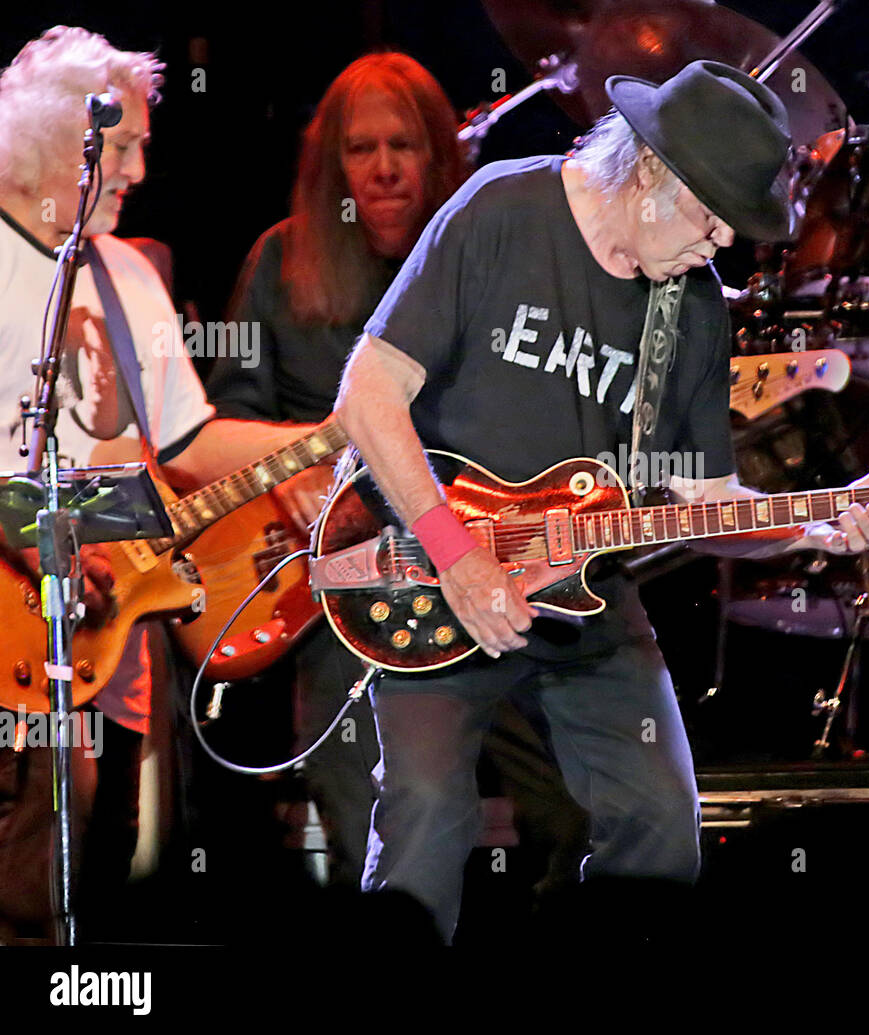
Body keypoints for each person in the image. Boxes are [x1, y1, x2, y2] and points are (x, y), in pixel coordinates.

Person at [333, 59, 869, 945]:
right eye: (711, 217)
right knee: (426, 818)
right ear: (648, 173)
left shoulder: (695, 304)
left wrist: (815, 525)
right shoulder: (502, 209)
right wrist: (460, 556)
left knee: (664, 827)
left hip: (584, 590)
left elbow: (708, 499)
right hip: (436, 572)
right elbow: (367, 396)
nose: (720, 243)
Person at [206, 51, 590, 900]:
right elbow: (214, 428)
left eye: (404, 146)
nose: (382, 170)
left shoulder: (492, 258)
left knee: (573, 809)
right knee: (373, 828)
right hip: (341, 593)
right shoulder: (281, 259)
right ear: (330, 165)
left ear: (441, 158)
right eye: (359, 149)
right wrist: (300, 463)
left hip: (481, 572)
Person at [0, 26, 326, 943]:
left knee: (102, 862)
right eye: (128, 145)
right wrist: (32, 533)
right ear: (63, 143)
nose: (141, 170)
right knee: (33, 859)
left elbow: (188, 437)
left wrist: (322, 443)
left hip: (112, 626)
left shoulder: (130, 273)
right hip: (14, 613)